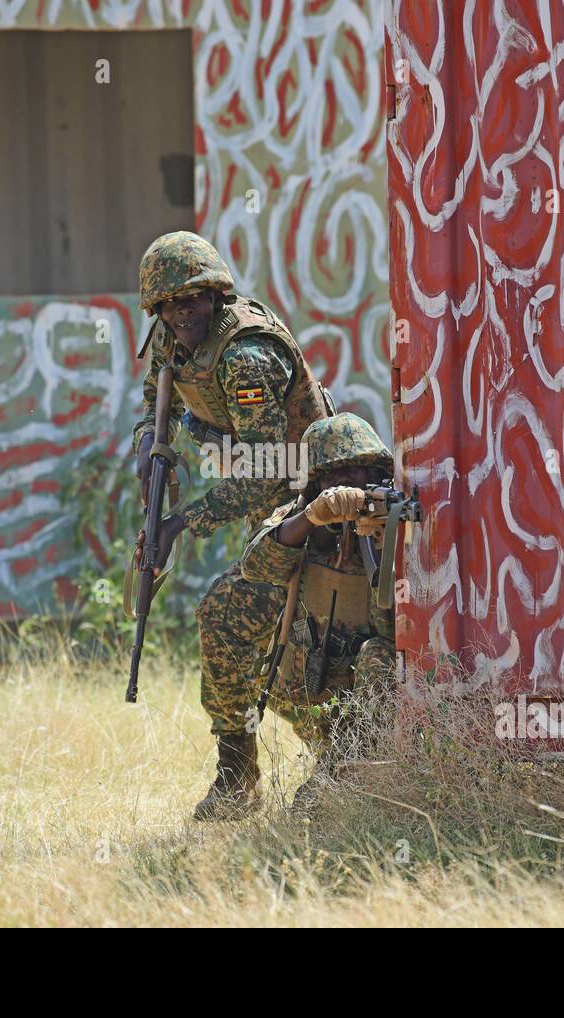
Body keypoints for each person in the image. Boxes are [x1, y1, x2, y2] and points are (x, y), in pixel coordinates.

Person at [131, 231, 332, 820]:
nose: (180, 313)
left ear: (216, 295)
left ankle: (314, 768)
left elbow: (268, 472)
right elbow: (154, 400)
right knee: (254, 639)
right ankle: (242, 778)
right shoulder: (172, 340)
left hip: (311, 509)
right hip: (269, 513)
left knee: (269, 640)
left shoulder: (245, 357)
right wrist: (151, 445)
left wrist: (177, 525)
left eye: (192, 300)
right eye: (168, 304)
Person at [238, 413, 398, 815]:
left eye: (359, 471)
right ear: (315, 484)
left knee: (379, 661)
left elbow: (396, 625)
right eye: (334, 477)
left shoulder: (400, 517)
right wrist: (312, 519)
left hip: (374, 681)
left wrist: (381, 535)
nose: (348, 484)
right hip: (312, 682)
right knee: (342, 751)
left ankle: (338, 780)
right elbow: (255, 565)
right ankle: (341, 772)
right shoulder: (301, 515)